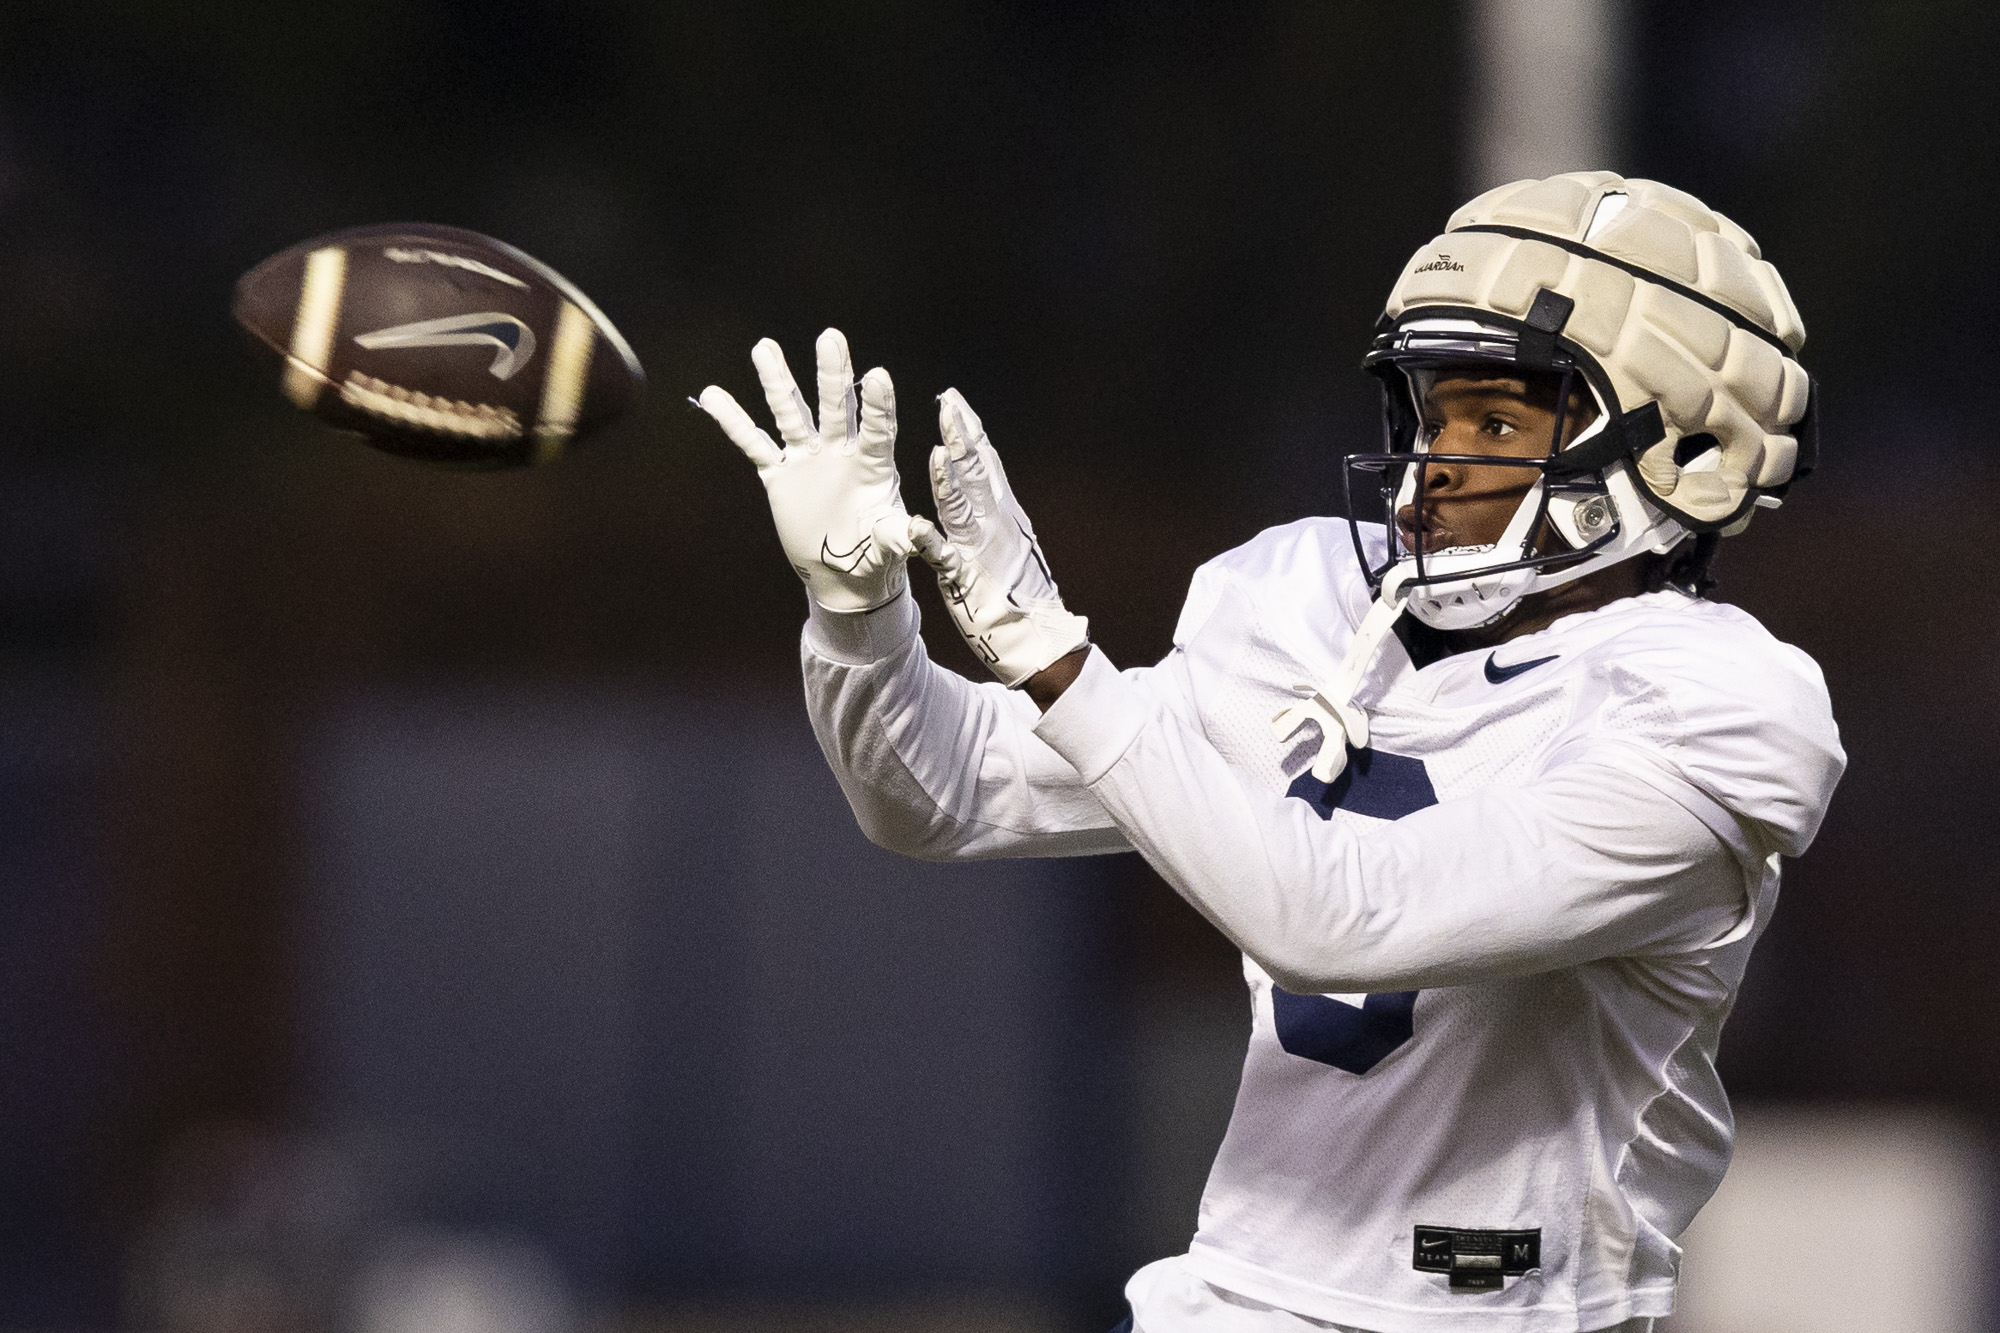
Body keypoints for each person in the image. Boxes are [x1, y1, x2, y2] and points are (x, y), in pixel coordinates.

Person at [696, 171, 1845, 1333]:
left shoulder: (1715, 707)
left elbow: (1335, 919)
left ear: (1685, 452)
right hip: (1226, 1299)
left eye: (1496, 419)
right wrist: (856, 610)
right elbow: (938, 795)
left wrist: (1054, 656)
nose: (1437, 460)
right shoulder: (1312, 601)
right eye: (1429, 411)